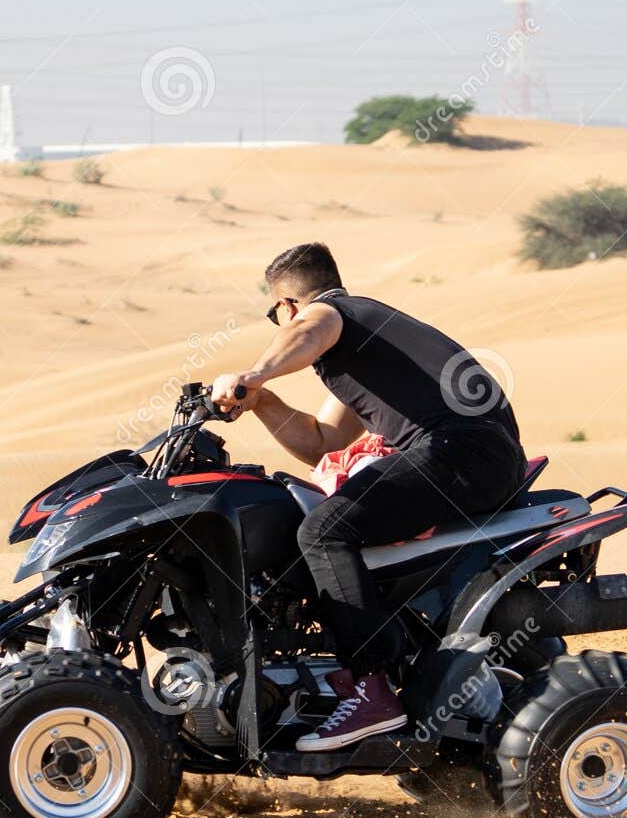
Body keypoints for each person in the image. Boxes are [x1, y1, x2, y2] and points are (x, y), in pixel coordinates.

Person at [212, 242, 526, 751]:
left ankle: (370, 689)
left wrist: (255, 374)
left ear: (287, 307)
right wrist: (265, 402)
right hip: (473, 455)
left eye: (278, 315)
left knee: (322, 530)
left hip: (461, 450)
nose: (286, 323)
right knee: (328, 524)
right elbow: (322, 442)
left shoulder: (334, 314)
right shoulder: (366, 350)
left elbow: (312, 328)